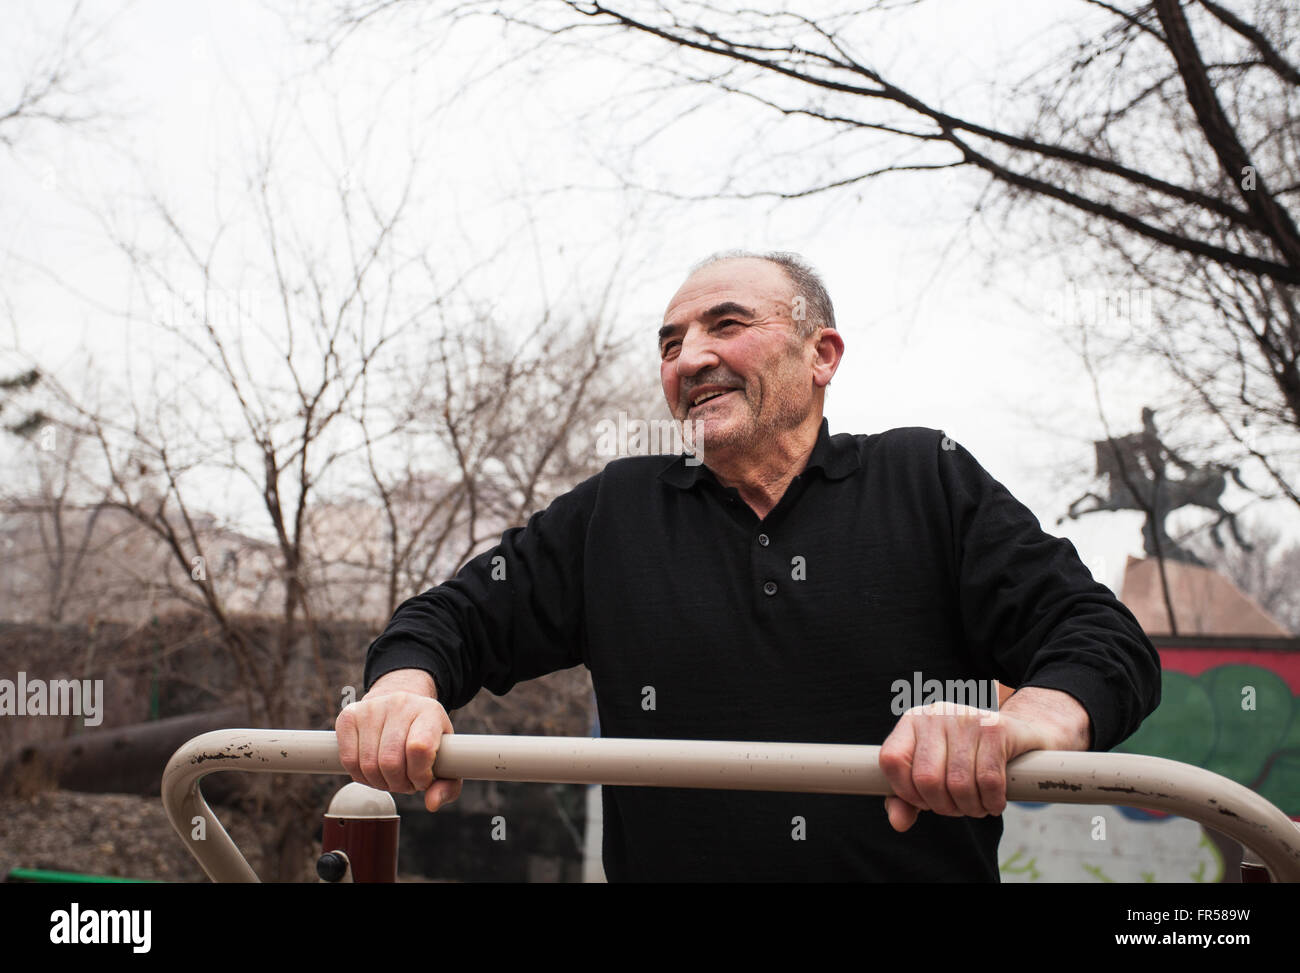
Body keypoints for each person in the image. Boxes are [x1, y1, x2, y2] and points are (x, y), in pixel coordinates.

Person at [337, 250, 1161, 881]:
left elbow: (1100, 637)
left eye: (725, 326)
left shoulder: (927, 479)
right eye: (671, 342)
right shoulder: (620, 506)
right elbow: (455, 618)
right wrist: (401, 693)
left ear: (822, 353)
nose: (689, 357)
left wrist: (1030, 721)